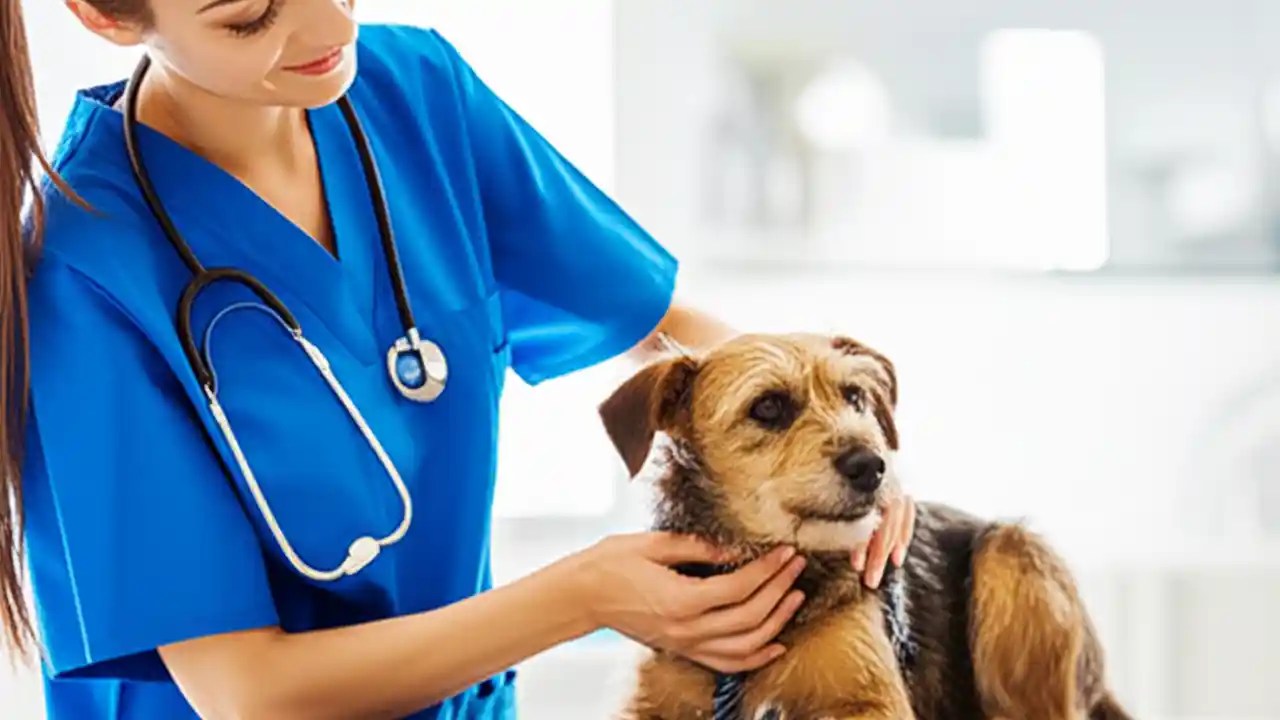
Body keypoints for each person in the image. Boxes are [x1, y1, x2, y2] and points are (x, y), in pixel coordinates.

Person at [0, 2, 916, 718]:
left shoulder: (417, 95)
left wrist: (845, 447)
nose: (329, 28)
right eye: (251, 14)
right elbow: (250, 695)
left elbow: (678, 329)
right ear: (107, 16)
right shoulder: (89, 276)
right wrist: (584, 594)